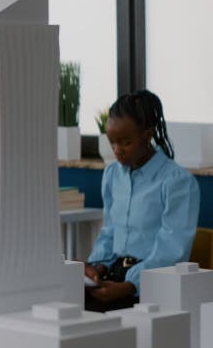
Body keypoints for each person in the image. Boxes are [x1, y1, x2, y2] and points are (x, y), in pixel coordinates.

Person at [84, 90, 200, 312]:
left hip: (154, 285)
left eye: (126, 142)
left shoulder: (177, 182)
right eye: (112, 142)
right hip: (114, 275)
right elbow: (110, 231)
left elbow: (172, 250)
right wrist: (96, 267)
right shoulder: (112, 175)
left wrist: (130, 285)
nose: (117, 151)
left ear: (147, 136)